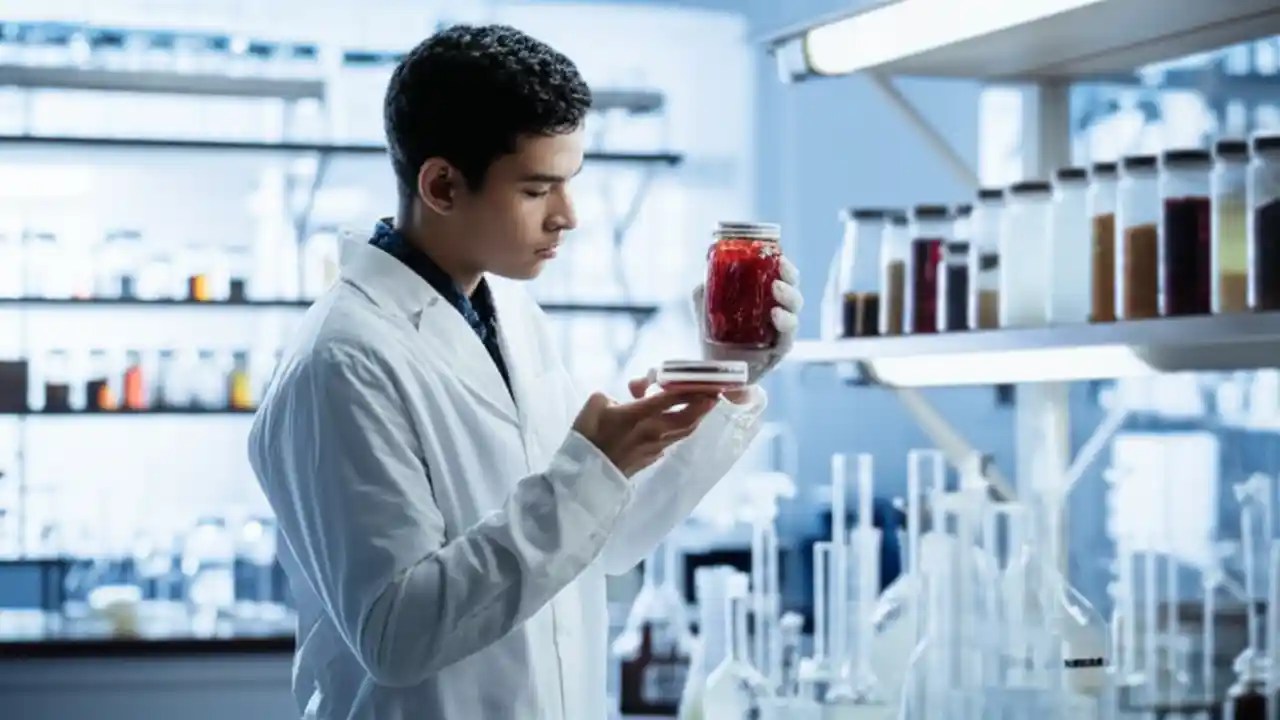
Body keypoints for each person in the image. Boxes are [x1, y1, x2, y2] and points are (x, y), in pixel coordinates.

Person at [247, 23, 802, 720]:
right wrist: (592, 469)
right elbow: (396, 634)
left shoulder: (509, 314)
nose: (567, 216)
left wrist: (727, 372)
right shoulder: (343, 361)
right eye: (538, 190)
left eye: (568, 184)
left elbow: (603, 543)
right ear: (443, 185)